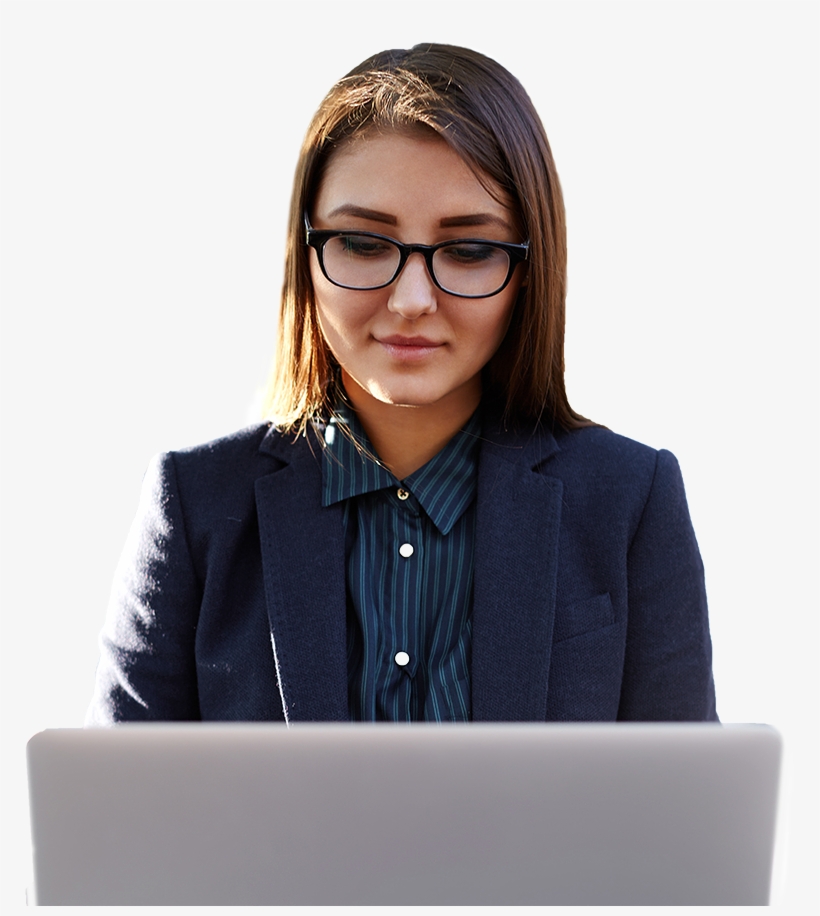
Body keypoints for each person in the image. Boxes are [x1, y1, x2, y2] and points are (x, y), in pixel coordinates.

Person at [86, 44, 717, 725]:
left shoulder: (631, 502)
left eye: (470, 250)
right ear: (306, 256)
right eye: (362, 243)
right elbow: (114, 793)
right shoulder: (195, 507)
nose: (412, 300)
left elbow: (685, 791)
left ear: (530, 270)